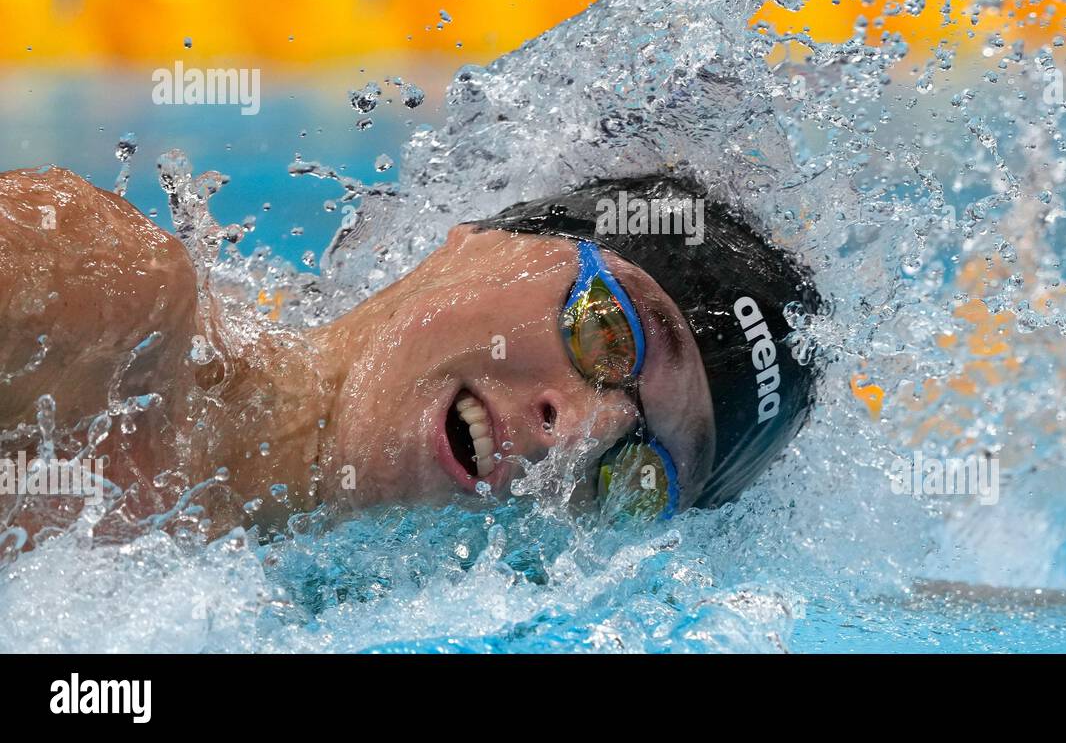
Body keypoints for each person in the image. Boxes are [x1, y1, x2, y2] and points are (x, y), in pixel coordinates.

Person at [0, 166, 819, 536]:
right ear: (481, 242)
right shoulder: (107, 302)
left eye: (639, 476)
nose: (581, 435)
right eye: (607, 332)